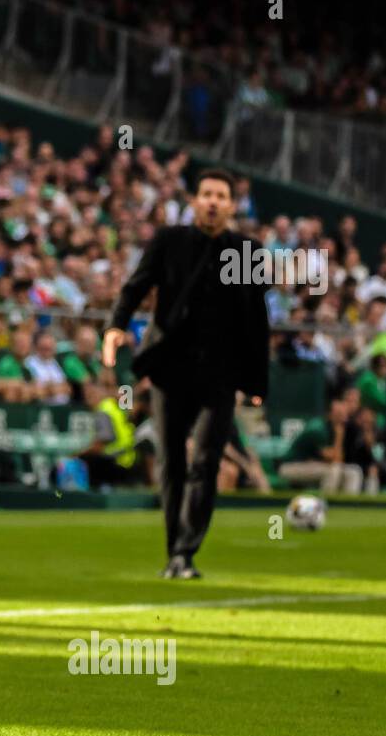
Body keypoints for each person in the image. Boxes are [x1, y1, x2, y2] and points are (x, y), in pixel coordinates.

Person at [102, 168, 270, 578]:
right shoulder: (169, 241)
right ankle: (174, 550)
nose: (213, 202)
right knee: (172, 461)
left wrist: (256, 383)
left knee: (207, 461)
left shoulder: (246, 252)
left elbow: (255, 319)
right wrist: (115, 327)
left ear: (231, 206)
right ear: (195, 200)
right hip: (169, 369)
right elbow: (135, 287)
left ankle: (186, 551)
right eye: (207, 194)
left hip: (220, 372)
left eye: (221, 196)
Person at [277, 396, 363, 494]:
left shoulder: (337, 428)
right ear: (330, 415)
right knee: (333, 470)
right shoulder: (318, 429)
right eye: (339, 414)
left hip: (311, 465)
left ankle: (348, 507)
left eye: (344, 414)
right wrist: (339, 436)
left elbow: (338, 459)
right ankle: (325, 505)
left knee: (354, 472)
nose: (343, 418)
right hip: (289, 467)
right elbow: (335, 459)